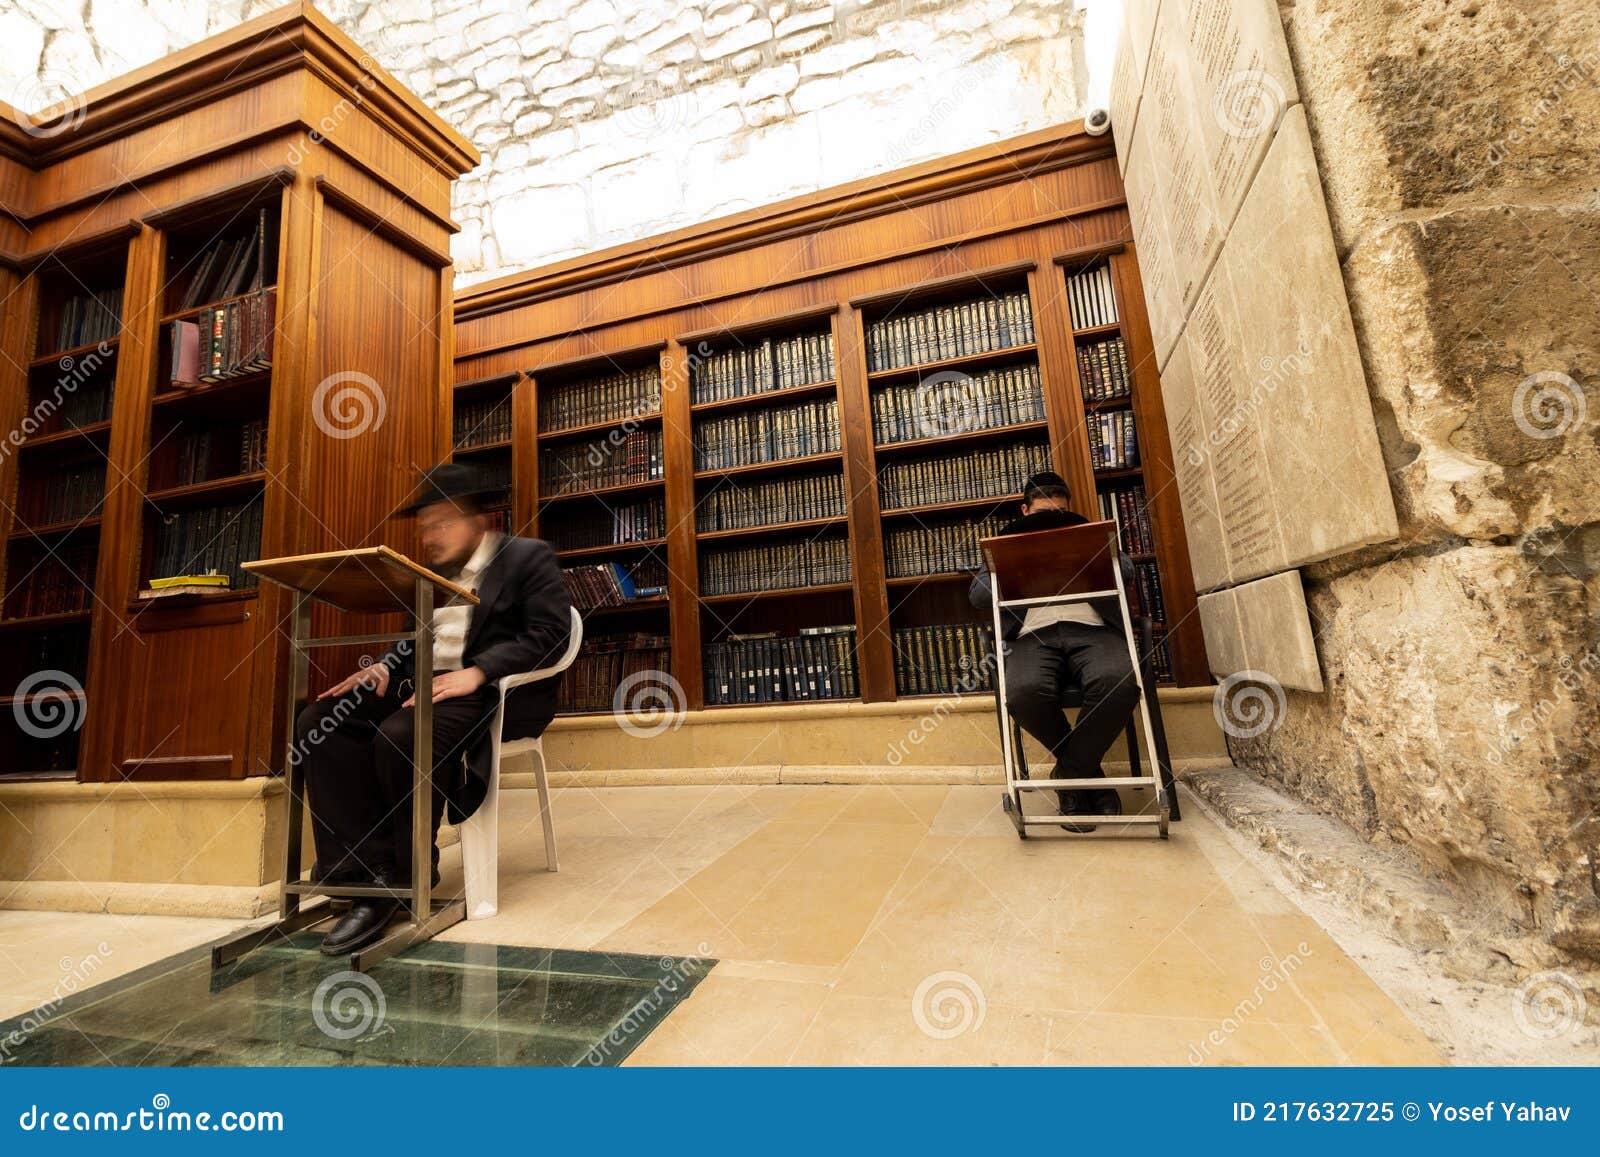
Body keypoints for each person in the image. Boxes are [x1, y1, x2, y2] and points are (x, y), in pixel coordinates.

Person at [294, 463, 572, 954]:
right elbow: (417, 642)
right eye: (424, 526)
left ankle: (406, 871)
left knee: (402, 732)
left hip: (492, 694)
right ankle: (361, 874)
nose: (429, 536)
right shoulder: (431, 575)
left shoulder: (527, 558)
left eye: (440, 523)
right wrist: (381, 667)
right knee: (321, 720)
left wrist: (479, 671)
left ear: (476, 520)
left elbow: (551, 635)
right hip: (421, 688)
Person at [968, 470, 1139, 828]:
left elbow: (1126, 572)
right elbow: (978, 596)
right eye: (1044, 514)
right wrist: (1015, 562)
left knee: (1118, 681)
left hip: (1093, 630)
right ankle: (1091, 778)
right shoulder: (1007, 544)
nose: (1052, 521)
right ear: (1025, 511)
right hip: (1033, 634)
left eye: (1059, 514)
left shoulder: (1085, 533)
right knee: (1022, 692)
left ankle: (1069, 780)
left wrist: (1089, 549)